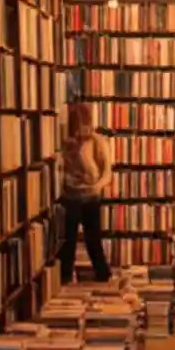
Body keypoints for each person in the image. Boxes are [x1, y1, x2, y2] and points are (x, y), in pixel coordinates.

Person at [60, 103, 113, 282]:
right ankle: (64, 277)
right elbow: (62, 172)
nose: (82, 130)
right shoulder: (67, 143)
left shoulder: (97, 141)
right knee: (68, 242)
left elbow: (106, 172)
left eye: (85, 124)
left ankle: (103, 275)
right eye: (78, 125)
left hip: (91, 197)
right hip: (71, 198)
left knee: (93, 241)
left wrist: (97, 186)